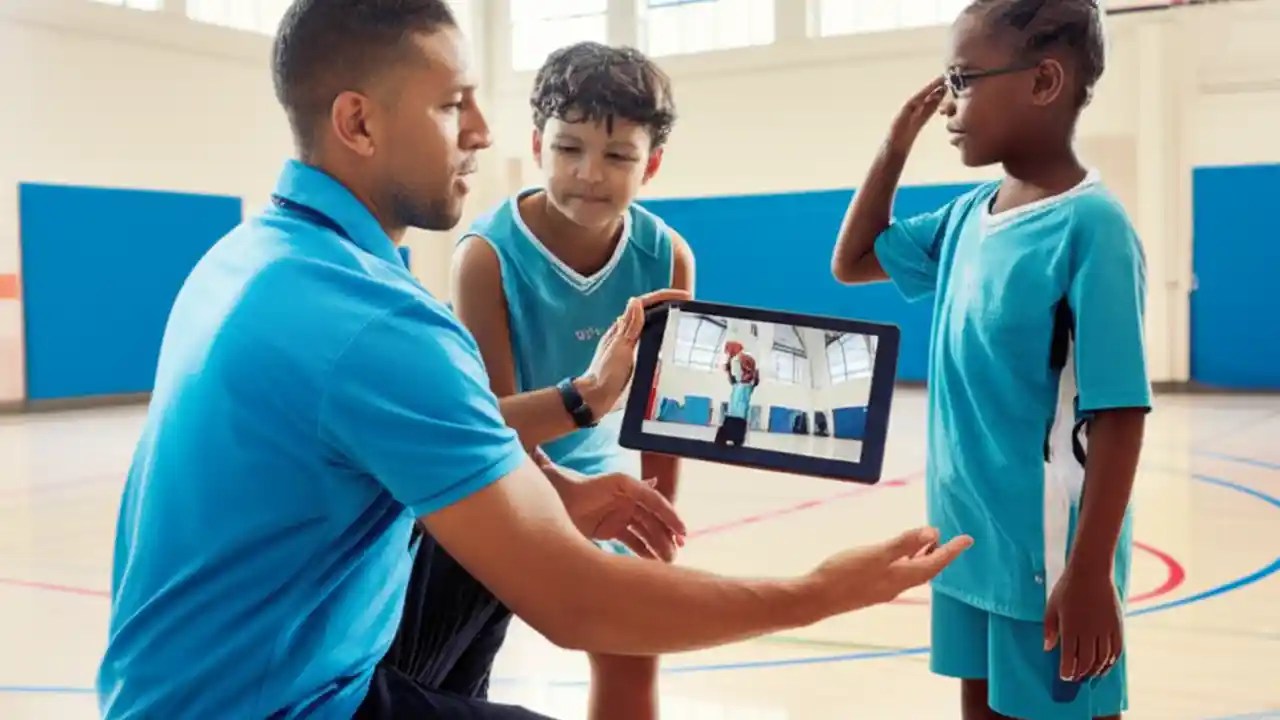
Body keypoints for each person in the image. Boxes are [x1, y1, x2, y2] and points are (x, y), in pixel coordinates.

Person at [95, 2, 973, 719]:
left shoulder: (252, 257)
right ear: (357, 121)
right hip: (279, 701)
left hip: (212, 683)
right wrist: (819, 588)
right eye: (453, 105)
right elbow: (570, 599)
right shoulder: (388, 317)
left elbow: (471, 433)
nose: (481, 129)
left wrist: (599, 459)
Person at [830, 1, 1149, 719]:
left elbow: (1120, 413)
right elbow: (853, 261)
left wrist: (1091, 570)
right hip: (968, 538)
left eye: (964, 80)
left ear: (1043, 82)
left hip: (1048, 557)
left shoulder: (1092, 226)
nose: (948, 103)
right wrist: (893, 144)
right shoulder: (969, 213)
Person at [446, 41, 690, 720]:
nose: (589, 173)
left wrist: (656, 522)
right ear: (536, 145)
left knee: (633, 660)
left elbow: (663, 414)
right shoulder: (485, 258)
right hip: (498, 477)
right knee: (453, 676)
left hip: (606, 474)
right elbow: (487, 424)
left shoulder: (666, 255)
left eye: (618, 157)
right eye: (568, 148)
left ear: (654, 164)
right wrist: (553, 492)